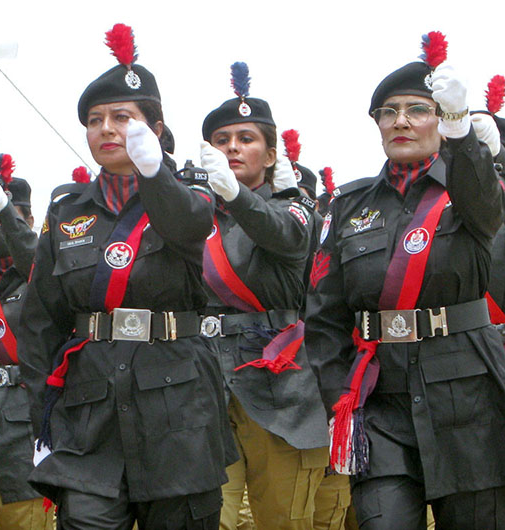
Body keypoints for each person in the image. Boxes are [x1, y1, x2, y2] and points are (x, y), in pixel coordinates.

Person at [305, 32, 505, 529]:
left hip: (468, 397)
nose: (401, 121)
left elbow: (486, 200)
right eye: (389, 111)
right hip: (381, 400)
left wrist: (461, 131)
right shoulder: (349, 206)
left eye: (417, 109)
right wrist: (340, 397)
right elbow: (324, 315)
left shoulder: (472, 189)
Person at [18, 24, 235, 529]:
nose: (107, 129)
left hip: (177, 407)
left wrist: (154, 172)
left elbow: (186, 224)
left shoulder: (191, 192)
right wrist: (43, 411)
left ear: (156, 129)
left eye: (124, 117)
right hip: (88, 417)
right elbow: (39, 321)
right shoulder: (66, 209)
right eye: (95, 120)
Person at [198, 61, 330, 530]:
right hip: (206, 384)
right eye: (221, 139)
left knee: (284, 522)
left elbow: (287, 237)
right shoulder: (194, 219)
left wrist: (236, 195)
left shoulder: (293, 208)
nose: (233, 146)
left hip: (281, 390)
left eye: (247, 138)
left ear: (271, 156)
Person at [0, 158, 52, 530]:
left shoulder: (46, 274)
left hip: (25, 427)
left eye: (2, 215)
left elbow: (41, 267)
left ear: (27, 222)